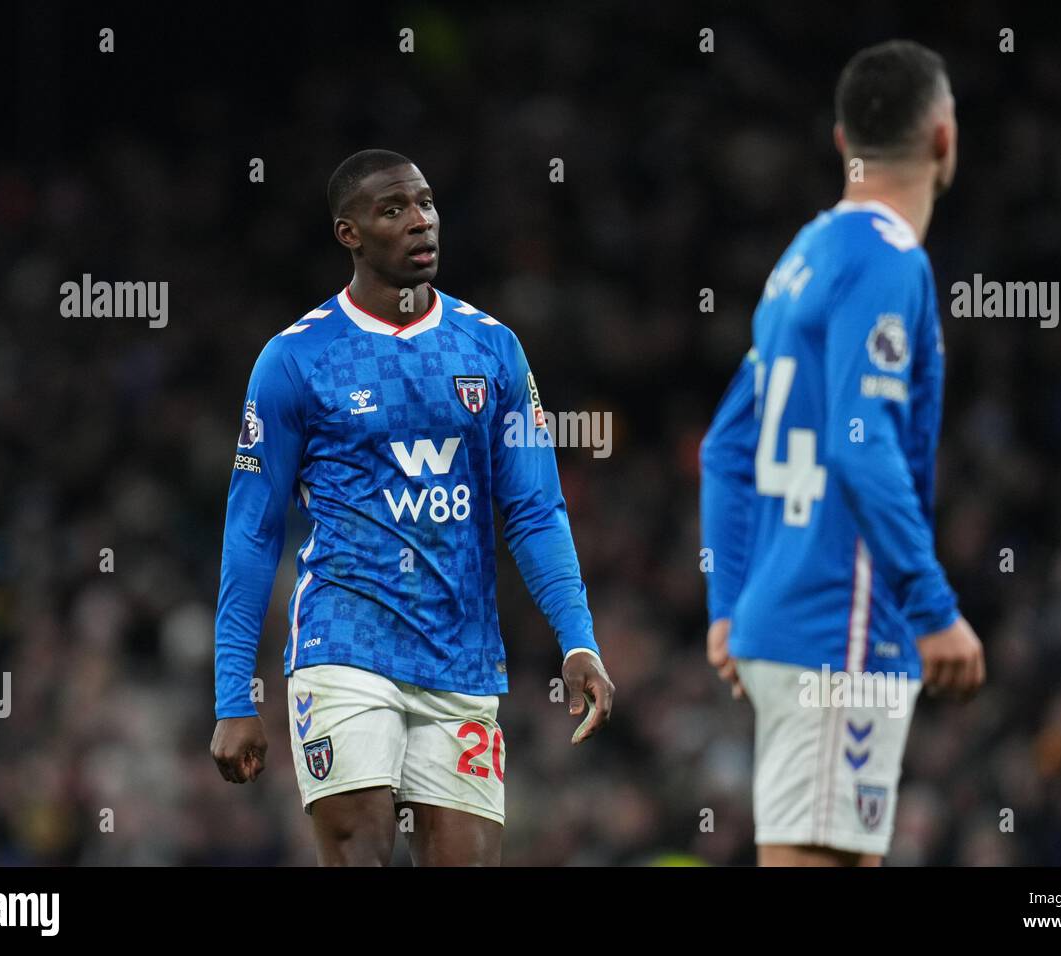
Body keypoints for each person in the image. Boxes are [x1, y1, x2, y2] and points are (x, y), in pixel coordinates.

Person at [210, 149, 614, 866]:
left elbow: (534, 509)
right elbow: (252, 532)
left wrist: (577, 638)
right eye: (392, 209)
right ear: (350, 234)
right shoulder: (296, 360)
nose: (420, 221)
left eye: (425, 203)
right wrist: (233, 695)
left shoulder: (492, 349)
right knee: (361, 850)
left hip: (463, 657)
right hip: (344, 647)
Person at [700, 40, 985, 866]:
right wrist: (932, 608)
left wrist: (728, 601)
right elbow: (860, 447)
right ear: (942, 138)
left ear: (839, 142)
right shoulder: (889, 261)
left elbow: (725, 445)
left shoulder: (806, 254)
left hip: (797, 616)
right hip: (841, 622)